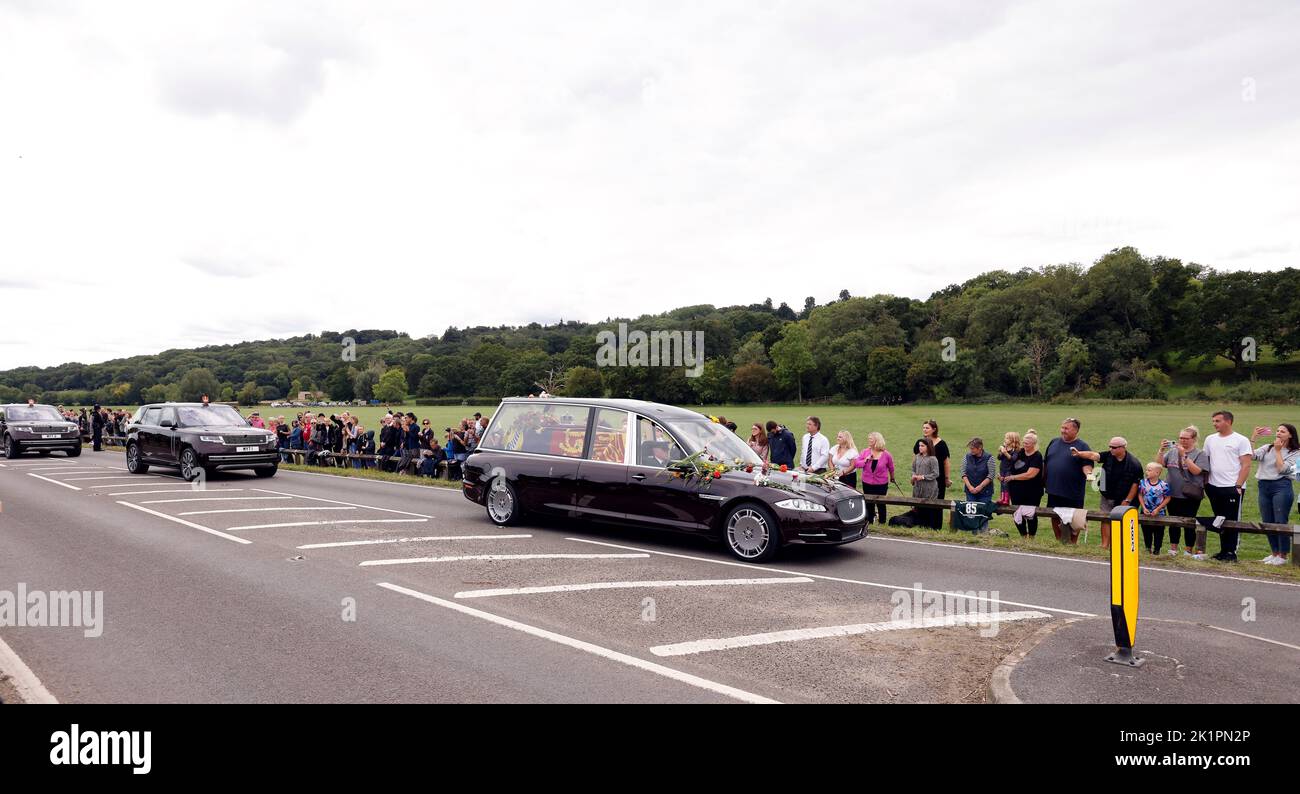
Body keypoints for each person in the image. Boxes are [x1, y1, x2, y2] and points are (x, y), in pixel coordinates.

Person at [1073, 436, 1143, 549]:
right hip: (1107, 495)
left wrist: (1128, 500)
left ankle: (1119, 546)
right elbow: (1093, 455)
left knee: (1121, 522)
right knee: (1105, 519)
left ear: (1123, 448)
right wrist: (1079, 453)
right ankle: (1105, 545)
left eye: (1114, 447)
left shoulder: (1134, 464)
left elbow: (1136, 484)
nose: (1111, 449)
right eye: (1110, 446)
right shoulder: (1109, 456)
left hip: (1123, 498)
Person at [1203, 410, 1252, 562]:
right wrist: (1206, 483)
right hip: (1213, 486)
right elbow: (1206, 461)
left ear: (1228, 421)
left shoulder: (1241, 440)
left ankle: (1231, 552)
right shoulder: (1210, 439)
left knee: (1231, 520)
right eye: (1213, 421)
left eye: (1217, 421)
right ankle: (1223, 550)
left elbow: (1246, 465)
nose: (1214, 424)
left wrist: (1238, 485)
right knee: (1219, 519)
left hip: (1232, 487)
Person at [1155, 426, 1210, 557]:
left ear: (1194, 439)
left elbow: (1196, 471)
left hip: (1190, 495)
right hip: (1172, 492)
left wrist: (1184, 455)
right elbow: (1159, 465)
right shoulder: (1173, 451)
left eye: (1186, 438)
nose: (1183, 441)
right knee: (1173, 521)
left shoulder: (1200, 454)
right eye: (1181, 438)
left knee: (1189, 523)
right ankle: (1173, 548)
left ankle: (1188, 550)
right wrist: (1161, 450)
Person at [1250, 422, 1300, 565]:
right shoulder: (1267, 448)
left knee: (1280, 521)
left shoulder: (1296, 452)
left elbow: (1283, 469)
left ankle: (1283, 556)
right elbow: (1251, 456)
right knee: (1267, 521)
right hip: (1263, 486)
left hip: (1281, 487)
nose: (1278, 433)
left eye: (1282, 431)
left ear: (1290, 435)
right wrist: (1254, 438)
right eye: (1277, 431)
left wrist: (1278, 451)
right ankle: (1274, 553)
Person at [1042, 417, 1092, 544]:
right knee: (1054, 516)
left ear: (1075, 430)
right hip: (1054, 489)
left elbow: (1087, 465)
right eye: (1062, 427)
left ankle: (1072, 543)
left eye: (1066, 428)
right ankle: (1059, 540)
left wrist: (1089, 474)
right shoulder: (1053, 442)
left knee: (1075, 519)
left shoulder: (1082, 446)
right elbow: (1046, 463)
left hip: (1072, 491)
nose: (1062, 431)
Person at [1004, 429, 1044, 537]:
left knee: (1030, 514)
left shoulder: (1037, 456)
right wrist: (1004, 476)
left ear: (1033, 444)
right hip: (1016, 491)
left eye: (1027, 443)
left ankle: (1031, 537)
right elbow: (1009, 463)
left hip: (1032, 492)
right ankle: (1023, 536)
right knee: (1016, 513)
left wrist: (1013, 477)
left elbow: (1030, 474)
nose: (1024, 445)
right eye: (1024, 442)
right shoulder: (1020, 452)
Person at [854, 432, 894, 525]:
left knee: (881, 503)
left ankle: (882, 522)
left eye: (871, 439)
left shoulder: (886, 454)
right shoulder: (865, 452)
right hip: (867, 482)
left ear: (877, 440)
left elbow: (891, 468)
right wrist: (866, 460)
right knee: (869, 503)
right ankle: (870, 521)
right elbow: (857, 464)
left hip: (881, 484)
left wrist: (892, 477)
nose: (869, 440)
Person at [1138, 462, 1172, 554]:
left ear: (1157, 473)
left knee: (1159, 532)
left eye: (1149, 470)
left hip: (1159, 513)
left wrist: (1158, 509)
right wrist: (1143, 507)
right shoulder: (1143, 482)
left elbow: (1167, 498)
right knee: (1146, 530)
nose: (1146, 472)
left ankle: (1157, 549)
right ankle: (1147, 548)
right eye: (1146, 470)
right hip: (1145, 511)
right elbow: (1140, 495)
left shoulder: (1163, 485)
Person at [912, 420, 950, 500]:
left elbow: (946, 463)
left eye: (927, 428)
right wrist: (914, 476)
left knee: (937, 503)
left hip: (937, 477)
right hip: (921, 478)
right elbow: (915, 460)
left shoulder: (941, 444)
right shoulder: (920, 443)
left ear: (934, 429)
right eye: (923, 428)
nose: (924, 430)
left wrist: (947, 479)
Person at [911, 438, 942, 529]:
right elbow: (913, 469)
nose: (920, 447)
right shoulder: (917, 457)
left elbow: (936, 473)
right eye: (919, 445)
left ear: (928, 447)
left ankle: (929, 527)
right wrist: (913, 476)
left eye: (922, 446)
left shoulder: (933, 459)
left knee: (928, 508)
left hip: (929, 488)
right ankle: (919, 525)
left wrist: (923, 477)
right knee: (918, 507)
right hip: (918, 486)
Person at [960, 437, 996, 504]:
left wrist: (980, 487)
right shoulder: (967, 457)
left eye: (972, 449)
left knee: (983, 513)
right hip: (970, 492)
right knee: (971, 514)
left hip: (985, 493)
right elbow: (963, 473)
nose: (971, 450)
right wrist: (970, 487)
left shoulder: (989, 458)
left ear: (980, 448)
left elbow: (991, 475)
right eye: (970, 448)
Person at [996, 431, 1022, 504]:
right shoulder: (1005, 448)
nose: (1005, 439)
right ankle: (1002, 498)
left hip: (1009, 469)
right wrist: (1001, 452)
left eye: (1007, 438)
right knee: (1002, 483)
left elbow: (1013, 459)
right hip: (1002, 468)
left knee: (1006, 484)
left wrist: (1005, 452)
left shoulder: (1015, 450)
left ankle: (1006, 500)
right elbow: (999, 458)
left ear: (1012, 440)